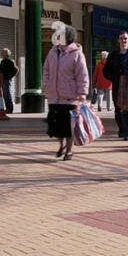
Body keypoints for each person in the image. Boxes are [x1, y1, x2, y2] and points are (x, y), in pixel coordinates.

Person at [42, 25, 89, 161]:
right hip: (54, 97)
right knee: (56, 126)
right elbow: (46, 70)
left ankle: (69, 150)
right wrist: (46, 84)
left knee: (69, 127)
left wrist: (82, 93)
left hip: (70, 97)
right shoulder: (53, 52)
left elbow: (82, 75)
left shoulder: (77, 54)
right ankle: (61, 145)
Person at [102, 30, 128, 140]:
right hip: (117, 85)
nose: (123, 40)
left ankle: (127, 132)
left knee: (127, 109)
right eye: (121, 38)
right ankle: (122, 129)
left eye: (125, 38)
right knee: (118, 109)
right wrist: (114, 78)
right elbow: (105, 70)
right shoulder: (113, 55)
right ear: (118, 40)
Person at [0, 48, 18, 112]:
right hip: (3, 79)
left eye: (3, 52)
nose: (1, 53)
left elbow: (16, 69)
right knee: (5, 94)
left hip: (6, 79)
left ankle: (10, 108)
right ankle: (8, 108)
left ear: (6, 54)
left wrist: (9, 76)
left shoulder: (10, 61)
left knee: (7, 94)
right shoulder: (2, 61)